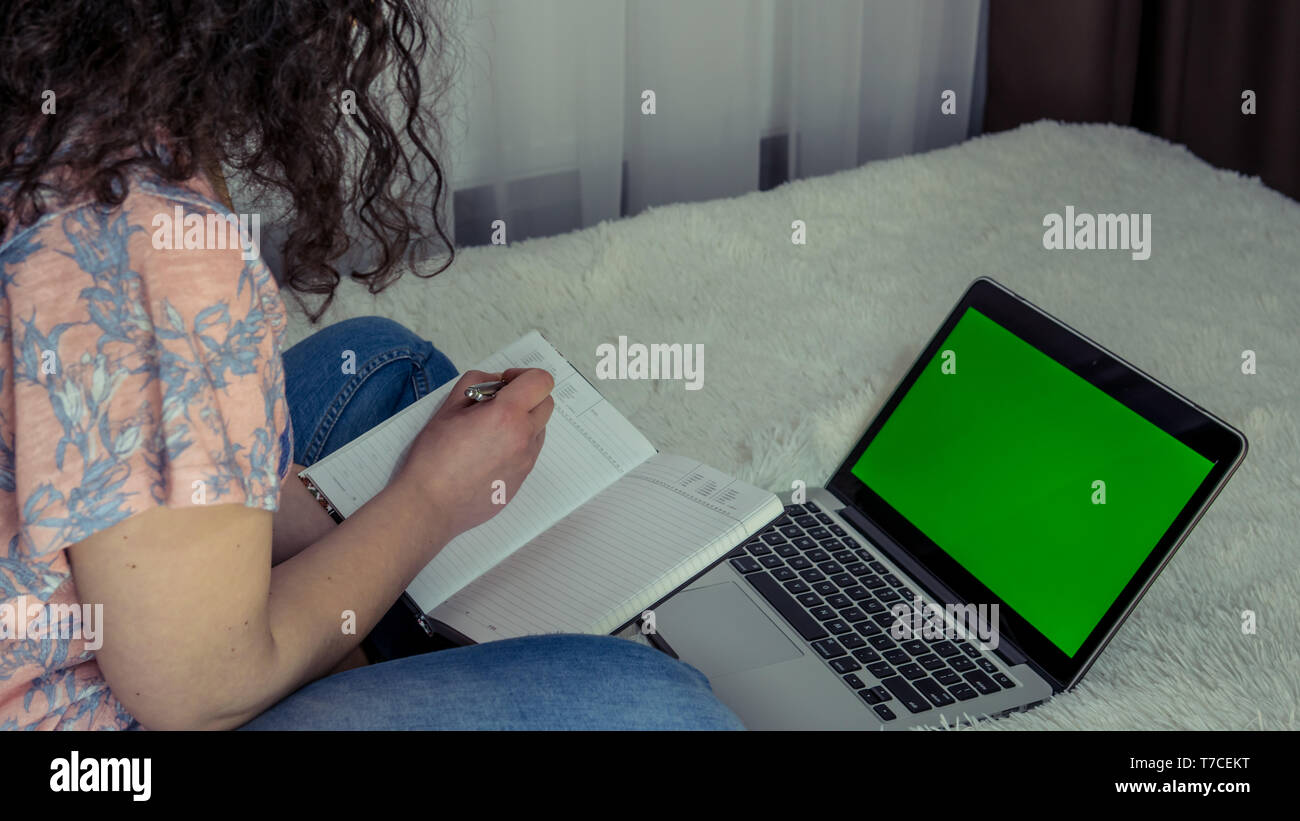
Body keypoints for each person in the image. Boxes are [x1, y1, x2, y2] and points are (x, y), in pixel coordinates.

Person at [0, 0, 742, 730]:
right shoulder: (149, 243)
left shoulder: (52, 116)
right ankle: (388, 647)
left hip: (66, 592)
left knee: (387, 366)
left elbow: (105, 454)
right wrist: (428, 501)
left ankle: (375, 637)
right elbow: (196, 695)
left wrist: (328, 512)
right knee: (665, 706)